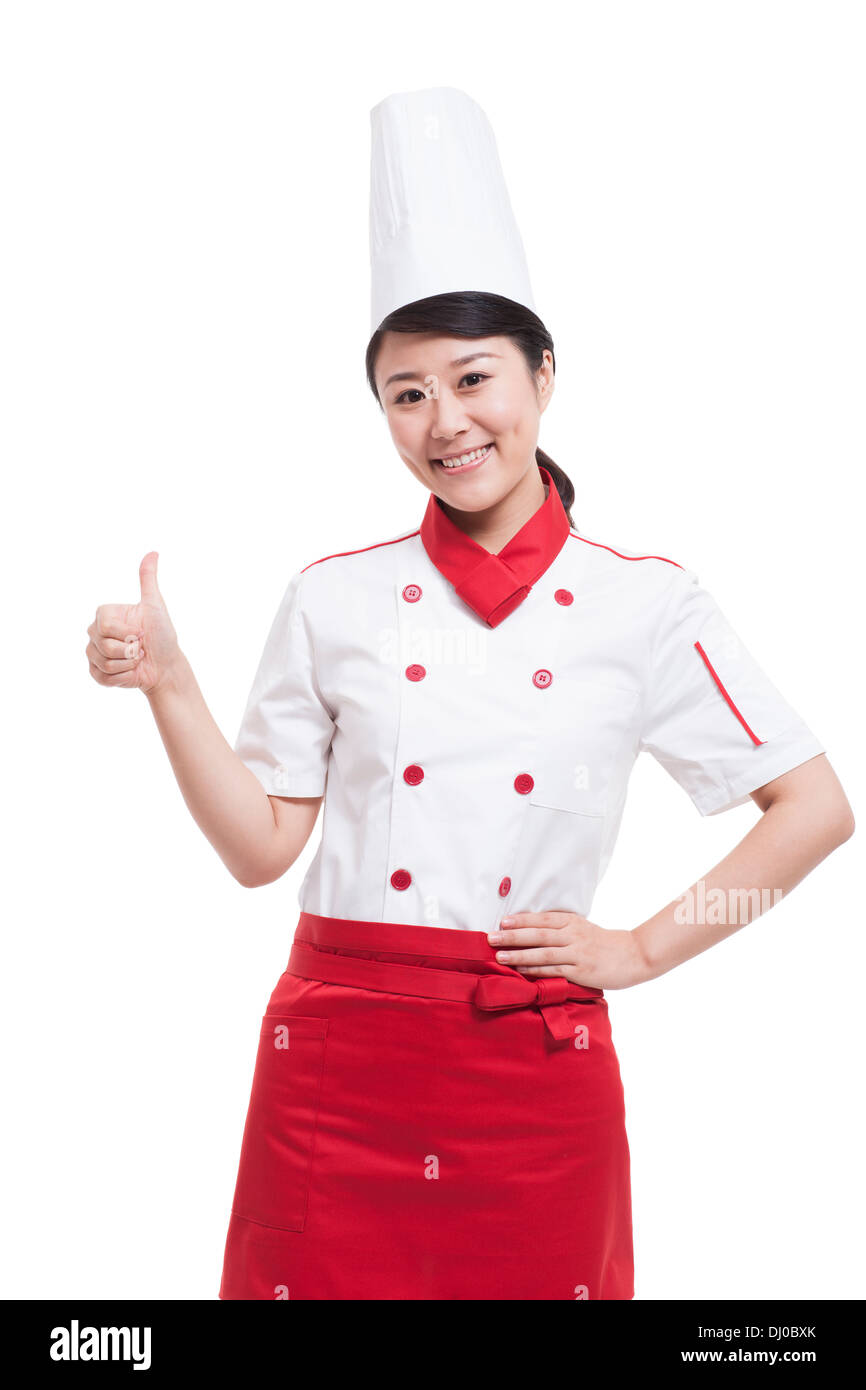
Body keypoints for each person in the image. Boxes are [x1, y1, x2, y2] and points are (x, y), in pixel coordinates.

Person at [85, 89, 854, 1301]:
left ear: (543, 374)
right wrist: (170, 684)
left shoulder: (645, 603)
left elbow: (812, 807)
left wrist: (642, 948)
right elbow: (258, 850)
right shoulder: (332, 596)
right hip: (335, 1062)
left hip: (528, 1066)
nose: (445, 422)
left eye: (472, 377)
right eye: (405, 393)